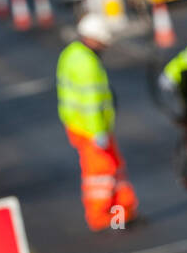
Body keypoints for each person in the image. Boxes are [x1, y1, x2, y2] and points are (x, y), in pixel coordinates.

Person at [56, 12, 139, 231]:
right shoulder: (86, 64)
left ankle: (122, 211)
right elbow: (91, 103)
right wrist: (97, 132)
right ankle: (102, 216)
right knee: (101, 174)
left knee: (114, 169)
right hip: (90, 128)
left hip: (84, 125)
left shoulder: (72, 54)